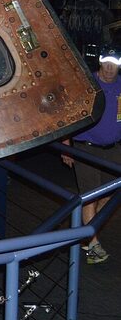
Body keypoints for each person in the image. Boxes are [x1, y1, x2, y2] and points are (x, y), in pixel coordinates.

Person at [62, 44, 121, 264]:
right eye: (105, 63)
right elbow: (70, 115)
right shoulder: (88, 84)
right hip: (86, 148)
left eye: (113, 65)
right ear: (100, 62)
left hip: (113, 148)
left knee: (111, 194)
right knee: (91, 195)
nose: (108, 69)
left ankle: (84, 231)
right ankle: (92, 242)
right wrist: (66, 145)